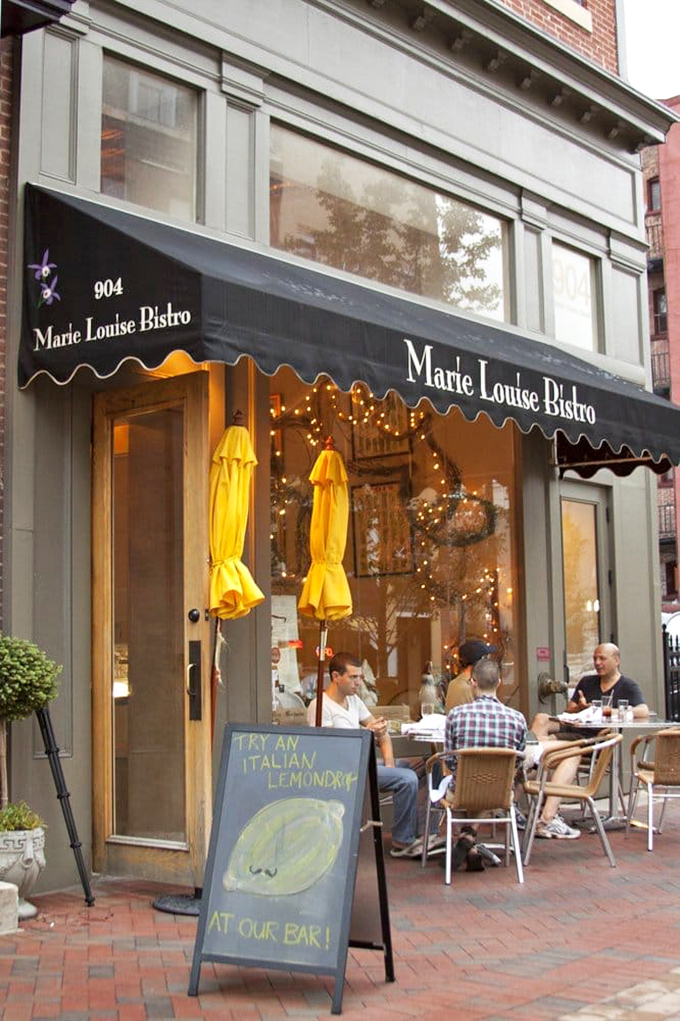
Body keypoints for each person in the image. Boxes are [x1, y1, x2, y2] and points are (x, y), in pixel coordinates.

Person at [307, 652, 428, 858]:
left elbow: (382, 733)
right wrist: (366, 734)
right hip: (345, 771)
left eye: (360, 677)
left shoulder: (354, 701)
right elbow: (331, 749)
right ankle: (402, 841)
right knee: (406, 779)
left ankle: (424, 832)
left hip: (366, 763)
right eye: (353, 677)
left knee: (427, 766)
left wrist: (390, 764)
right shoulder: (319, 706)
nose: (358, 682)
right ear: (336, 677)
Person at [529, 643, 649, 840]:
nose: (597, 663)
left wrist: (607, 711)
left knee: (549, 745)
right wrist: (579, 709)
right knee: (541, 719)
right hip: (575, 730)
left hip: (594, 740)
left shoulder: (627, 685)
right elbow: (569, 710)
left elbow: (642, 711)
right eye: (595, 659)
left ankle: (537, 798)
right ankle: (531, 774)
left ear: (616, 660)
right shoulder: (587, 682)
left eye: (602, 658)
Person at [444, 658, 527, 870]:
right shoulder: (517, 719)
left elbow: (450, 759)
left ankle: (466, 837)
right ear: (499, 682)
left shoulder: (455, 716)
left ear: (473, 682)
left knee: (459, 784)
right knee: (495, 784)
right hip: (498, 793)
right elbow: (517, 759)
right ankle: (469, 842)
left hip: (463, 791)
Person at [445, 640, 496, 713]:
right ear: (481, 661)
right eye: (487, 658)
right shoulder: (473, 687)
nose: (489, 661)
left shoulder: (453, 684)